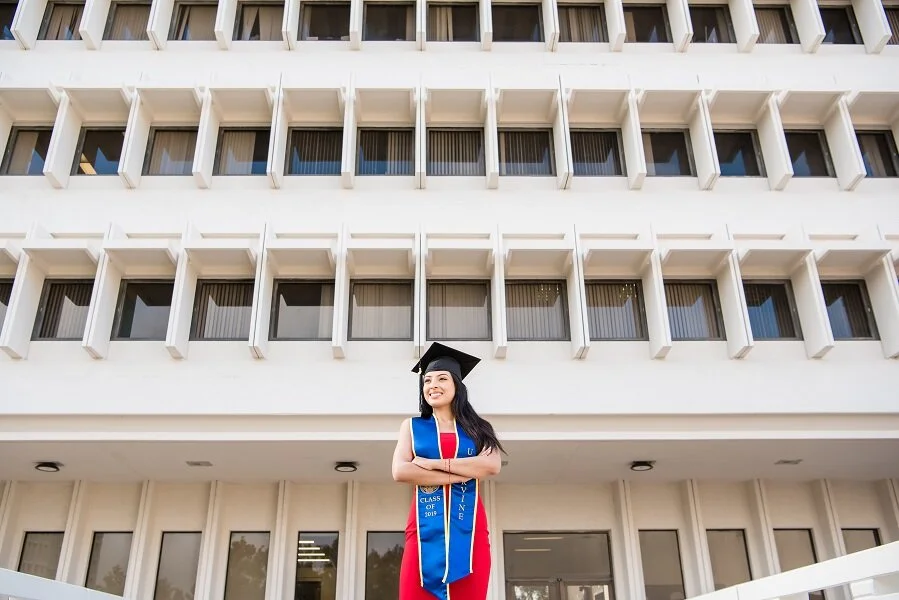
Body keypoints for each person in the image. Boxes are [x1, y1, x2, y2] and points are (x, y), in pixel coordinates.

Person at [392, 342, 505, 600]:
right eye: (427, 380)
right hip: (422, 533)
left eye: (442, 379)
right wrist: (466, 471)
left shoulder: (478, 428)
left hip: (470, 530)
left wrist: (433, 464)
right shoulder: (412, 427)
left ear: (457, 386)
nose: (433, 385)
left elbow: (491, 465)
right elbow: (400, 471)